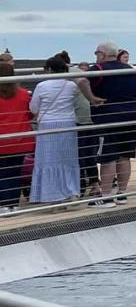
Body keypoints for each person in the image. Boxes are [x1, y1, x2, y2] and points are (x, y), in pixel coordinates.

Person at [30, 56, 99, 204]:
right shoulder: (71, 86)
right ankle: (71, 191)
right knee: (68, 159)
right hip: (68, 123)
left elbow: (33, 108)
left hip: (47, 124)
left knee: (47, 159)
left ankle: (49, 194)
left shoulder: (42, 86)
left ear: (49, 69)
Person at [89, 41, 136, 203]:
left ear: (103, 54)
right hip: (130, 116)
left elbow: (81, 81)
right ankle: (122, 193)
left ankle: (105, 197)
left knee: (108, 157)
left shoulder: (98, 69)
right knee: (125, 156)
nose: (96, 56)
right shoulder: (130, 70)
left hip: (107, 118)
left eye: (96, 53)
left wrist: (91, 98)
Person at [0, 62, 34, 211]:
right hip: (21, 140)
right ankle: (13, 204)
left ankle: (3, 204)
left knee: (2, 173)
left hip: (2, 141)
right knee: (15, 172)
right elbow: (31, 113)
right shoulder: (24, 94)